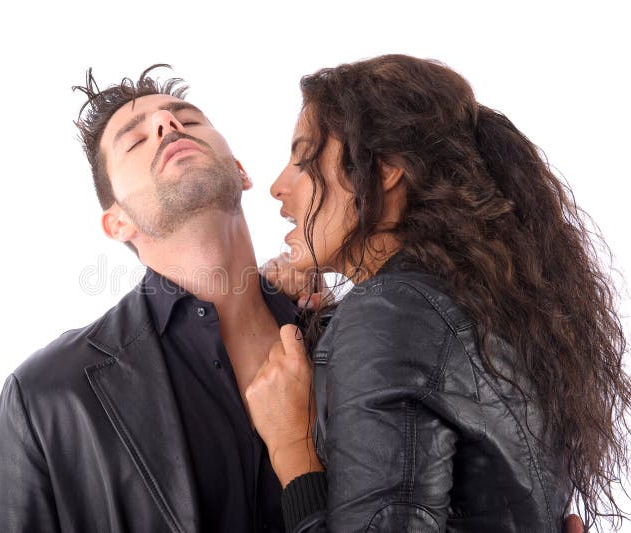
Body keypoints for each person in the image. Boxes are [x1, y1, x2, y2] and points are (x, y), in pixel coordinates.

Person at [0, 64, 588, 533]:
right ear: (117, 223)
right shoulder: (46, 398)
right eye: (134, 140)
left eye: (187, 118)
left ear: (241, 172)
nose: (166, 125)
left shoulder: (369, 333)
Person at [246, 55, 629, 532]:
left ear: (385, 168)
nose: (278, 187)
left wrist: (293, 451)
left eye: (305, 161)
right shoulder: (484, 302)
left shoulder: (389, 312)